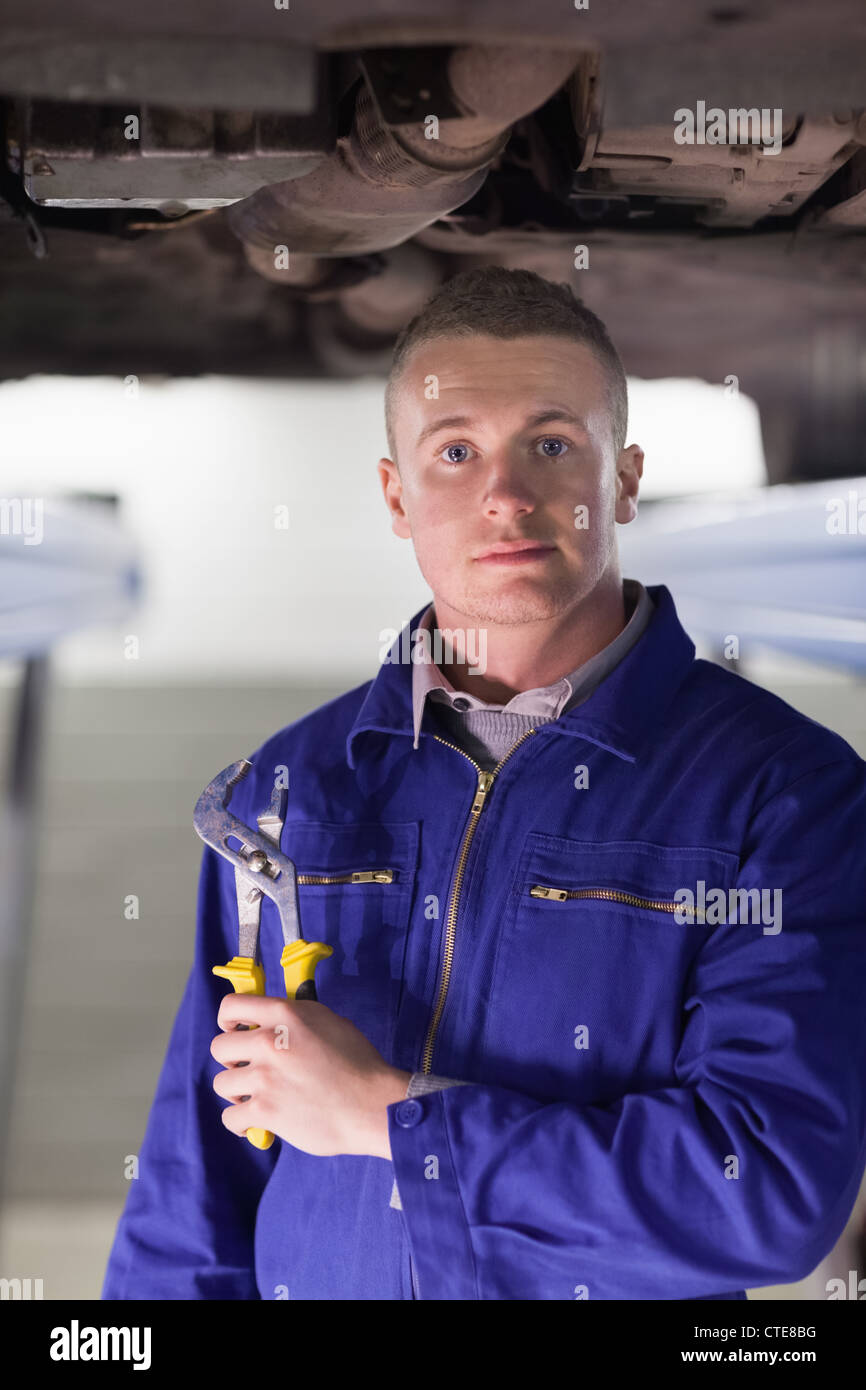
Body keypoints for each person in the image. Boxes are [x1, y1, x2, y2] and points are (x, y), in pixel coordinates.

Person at [102, 266, 866, 1300]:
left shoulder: (783, 794)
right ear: (394, 494)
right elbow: (195, 1190)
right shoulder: (288, 789)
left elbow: (762, 1193)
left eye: (550, 444)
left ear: (624, 479)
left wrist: (389, 1118)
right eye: (454, 452)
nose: (505, 494)